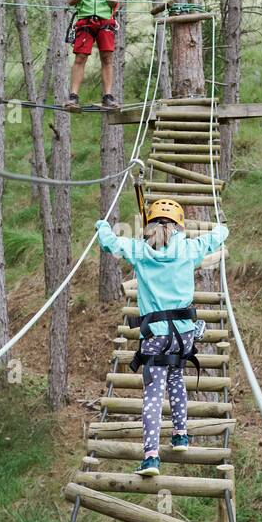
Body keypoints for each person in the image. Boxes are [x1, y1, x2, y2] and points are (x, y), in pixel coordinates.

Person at [96, 200, 229, 476]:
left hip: (155, 335)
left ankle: (151, 456)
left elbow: (110, 243)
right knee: (176, 379)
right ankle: (181, 435)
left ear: (150, 226)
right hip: (184, 336)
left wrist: (103, 226)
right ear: (179, 226)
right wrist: (220, 227)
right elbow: (217, 237)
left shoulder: (140, 251)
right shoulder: (189, 249)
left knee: (154, 393)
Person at [67, 0, 120, 110]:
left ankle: (108, 96)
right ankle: (73, 96)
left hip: (105, 22)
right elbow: (70, 1)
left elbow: (115, 3)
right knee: (80, 57)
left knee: (107, 58)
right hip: (86, 22)